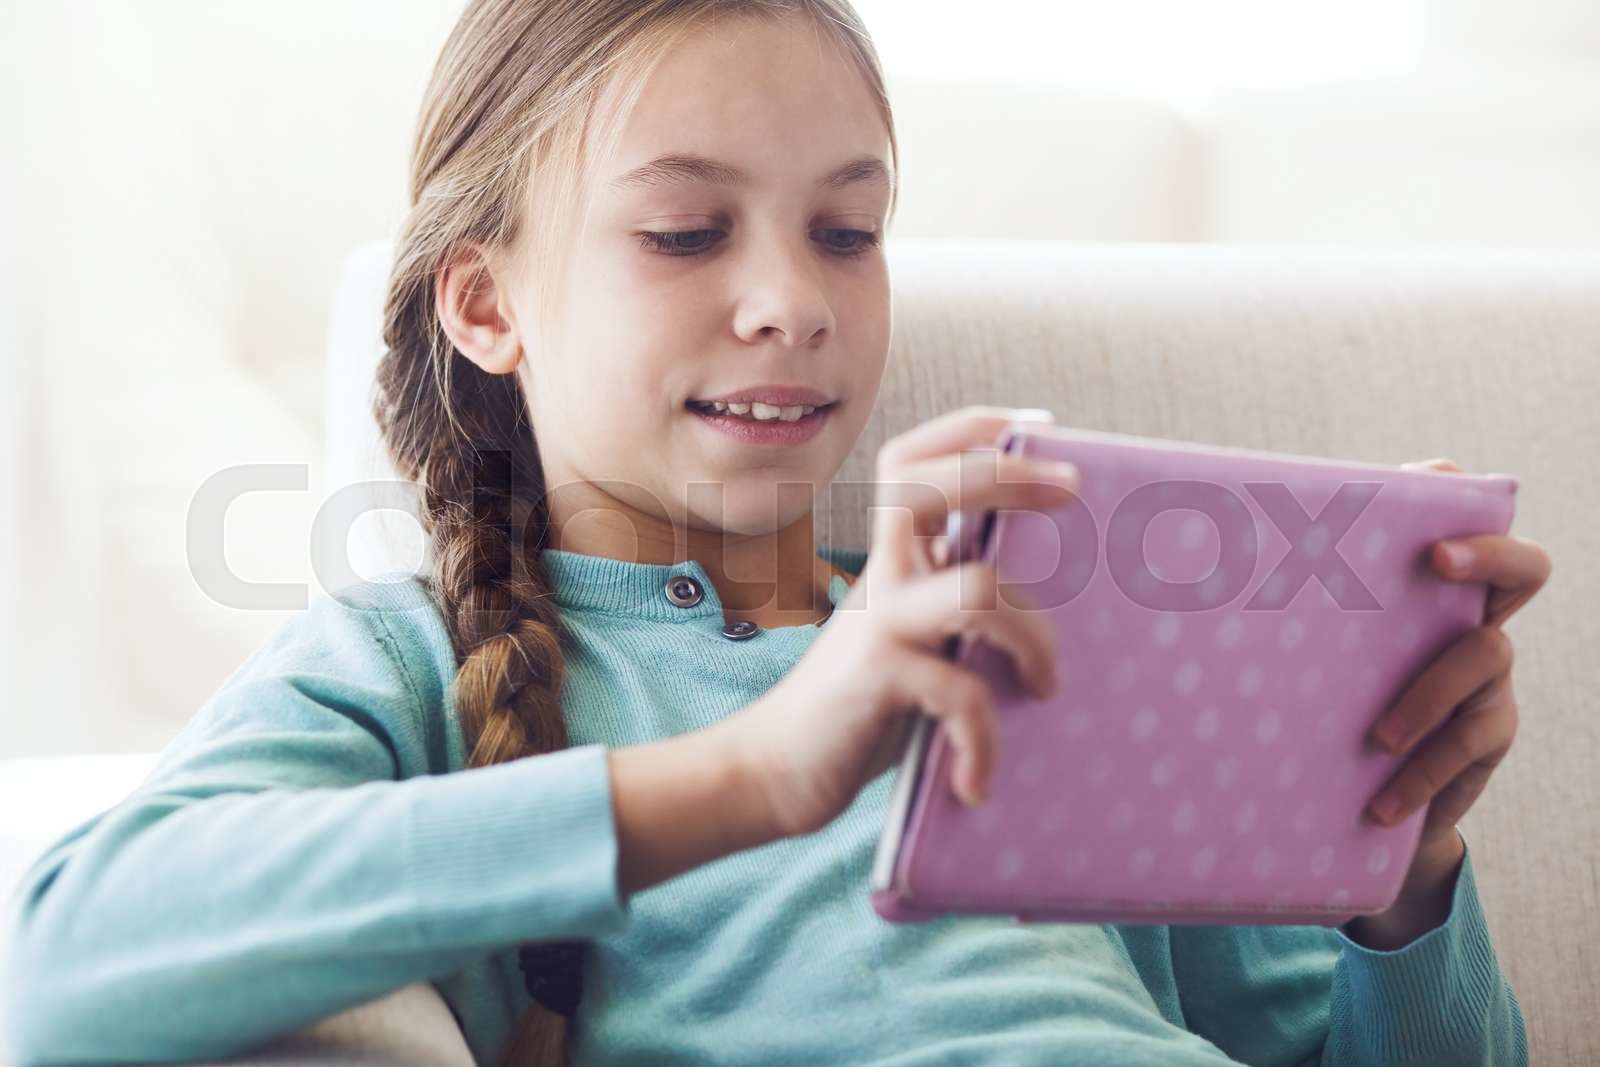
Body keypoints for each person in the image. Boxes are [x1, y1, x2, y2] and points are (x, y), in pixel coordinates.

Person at [2, 2, 1549, 1065]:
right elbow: (68, 956)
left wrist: (1403, 872)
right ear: (486, 304)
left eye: (846, 232)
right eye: (685, 232)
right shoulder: (404, 660)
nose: (793, 301)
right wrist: (755, 772)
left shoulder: (1025, 637)